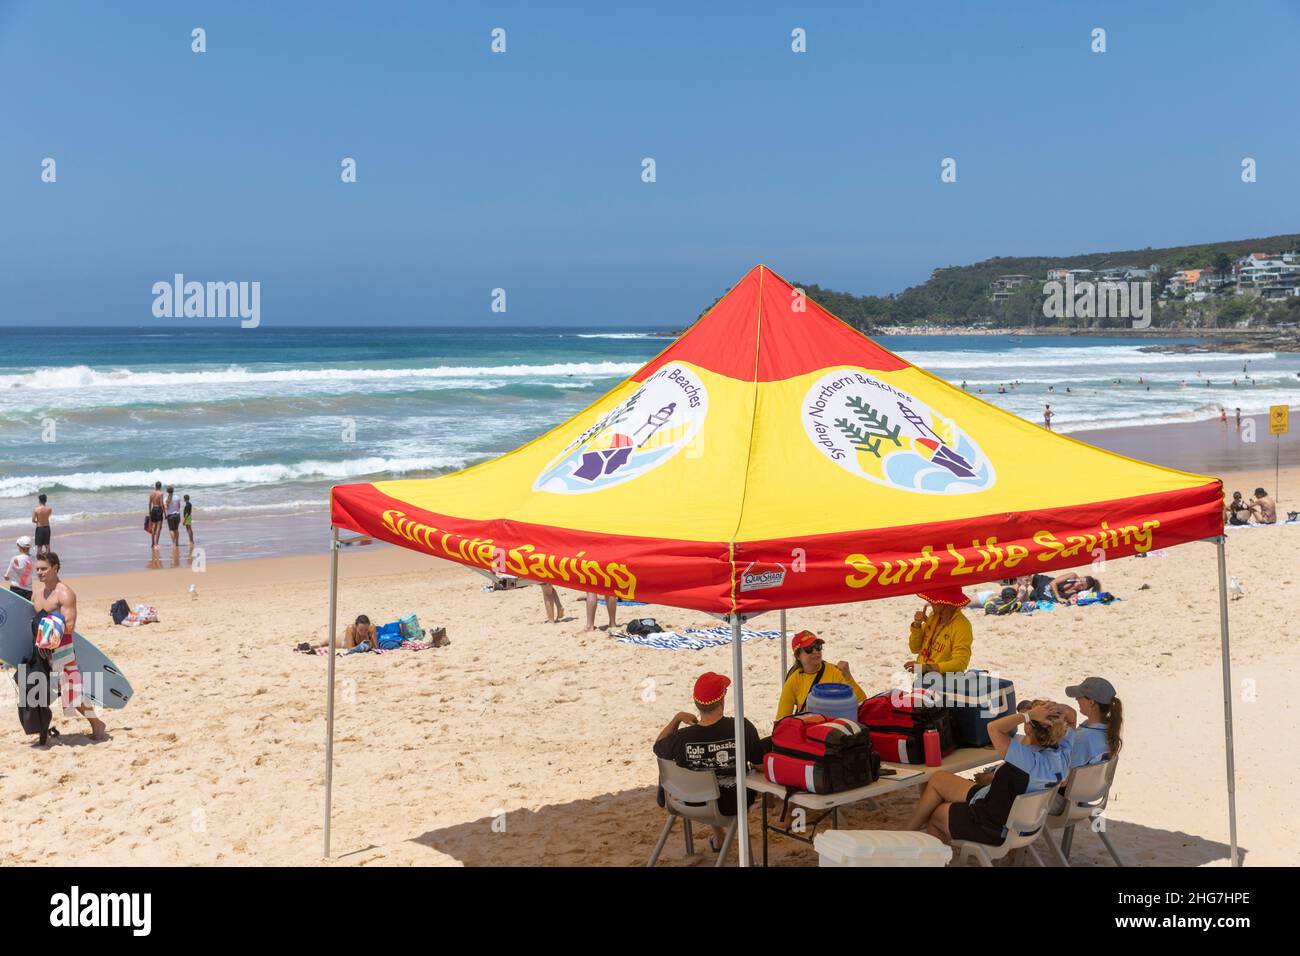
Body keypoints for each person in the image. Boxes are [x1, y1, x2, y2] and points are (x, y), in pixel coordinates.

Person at [903, 701, 1070, 844]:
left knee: (937, 815)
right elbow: (1072, 715)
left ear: (1027, 727)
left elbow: (993, 728)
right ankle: (907, 835)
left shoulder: (1025, 760)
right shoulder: (1061, 754)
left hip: (995, 825)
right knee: (938, 779)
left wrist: (1029, 715)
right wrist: (1050, 712)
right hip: (1018, 817)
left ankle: (912, 842)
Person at [653, 672, 765, 853]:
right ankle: (721, 837)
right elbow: (760, 765)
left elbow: (658, 747)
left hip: (687, 802)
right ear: (722, 700)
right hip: (730, 805)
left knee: (705, 775)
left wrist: (677, 718)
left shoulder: (681, 739)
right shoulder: (741, 727)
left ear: (697, 704)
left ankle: (719, 837)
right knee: (723, 780)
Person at [31, 552, 108, 741]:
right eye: (38, 569)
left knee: (70, 694)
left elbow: (70, 626)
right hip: (41, 649)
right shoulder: (37, 595)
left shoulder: (64, 593)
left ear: (55, 567)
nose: (40, 572)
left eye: (44, 568)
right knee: (36, 689)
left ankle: (97, 724)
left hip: (62, 650)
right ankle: (42, 731)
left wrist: (47, 632)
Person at [774, 630, 866, 721]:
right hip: (809, 730)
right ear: (798, 656)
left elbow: (862, 703)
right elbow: (781, 719)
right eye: (808, 649)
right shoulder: (794, 680)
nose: (815, 651)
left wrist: (848, 677)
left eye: (818, 647)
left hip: (836, 729)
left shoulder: (835, 671)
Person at [906, 588, 974, 675]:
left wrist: (927, 668)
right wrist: (917, 625)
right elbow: (914, 649)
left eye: (934, 600)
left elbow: (960, 663)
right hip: (923, 674)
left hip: (944, 679)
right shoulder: (933, 616)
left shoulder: (962, 626)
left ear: (945, 603)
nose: (931, 603)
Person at [4, 535, 34, 601]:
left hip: (16, 589)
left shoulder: (15, 559)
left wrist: (7, 577)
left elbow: (7, 576)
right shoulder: (33, 559)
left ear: (19, 547)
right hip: (28, 590)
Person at [32, 493, 52, 558]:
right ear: (46, 500)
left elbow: (33, 520)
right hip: (47, 527)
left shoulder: (36, 509)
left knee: (39, 546)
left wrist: (37, 522)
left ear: (39, 500)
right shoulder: (49, 509)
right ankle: (49, 559)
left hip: (40, 528)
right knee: (47, 545)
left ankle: (39, 559)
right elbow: (47, 516)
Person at [147, 481, 165, 549]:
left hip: (153, 509)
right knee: (159, 528)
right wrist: (165, 513)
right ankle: (156, 544)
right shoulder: (160, 493)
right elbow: (161, 504)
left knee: (153, 527)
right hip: (159, 510)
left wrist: (149, 511)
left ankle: (152, 543)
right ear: (160, 486)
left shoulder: (151, 493)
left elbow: (149, 503)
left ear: (155, 486)